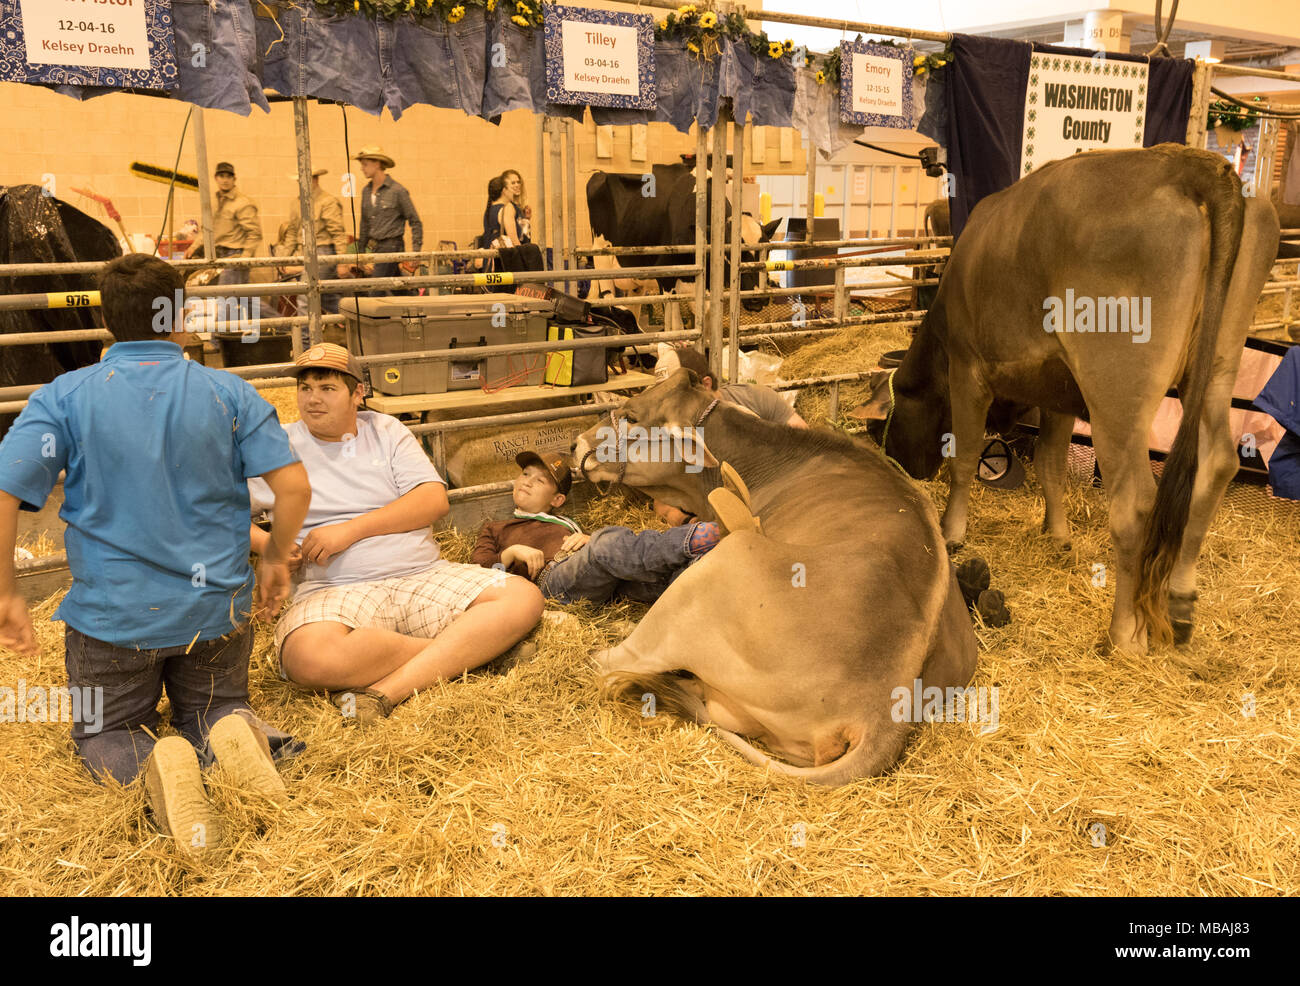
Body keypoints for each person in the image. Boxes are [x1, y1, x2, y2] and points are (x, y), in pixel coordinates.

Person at [0, 254, 311, 856]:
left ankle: (149, 761)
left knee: (106, 728)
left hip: (115, 620)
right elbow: (294, 488)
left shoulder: (63, 397)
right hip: (215, 613)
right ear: (180, 316)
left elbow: (5, 493)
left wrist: (8, 590)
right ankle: (228, 733)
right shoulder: (228, 392)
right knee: (216, 704)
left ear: (106, 321)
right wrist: (272, 560)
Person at [248, 343, 542, 724]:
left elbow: (433, 499)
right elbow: (217, 510)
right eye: (305, 388)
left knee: (520, 596)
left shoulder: (385, 430)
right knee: (308, 657)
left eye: (327, 388)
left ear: (357, 394)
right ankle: (476, 653)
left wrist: (349, 531)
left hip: (420, 575)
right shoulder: (277, 446)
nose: (312, 399)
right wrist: (267, 545)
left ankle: (383, 693)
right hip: (334, 589)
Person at [472, 452, 752, 606]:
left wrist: (587, 539)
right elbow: (477, 574)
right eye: (525, 474)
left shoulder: (565, 524)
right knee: (607, 541)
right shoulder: (496, 528)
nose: (529, 482)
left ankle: (731, 550)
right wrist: (511, 553)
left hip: (596, 582)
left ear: (557, 500)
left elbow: (597, 555)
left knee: (661, 577)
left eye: (541, 480)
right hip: (550, 584)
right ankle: (709, 533)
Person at [186, 161, 262, 324]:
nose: (225, 180)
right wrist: (193, 246)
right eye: (222, 176)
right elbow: (207, 227)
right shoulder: (214, 201)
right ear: (216, 178)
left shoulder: (242, 203)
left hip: (235, 255)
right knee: (245, 300)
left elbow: (254, 234)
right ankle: (285, 325)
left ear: (234, 179)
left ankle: (218, 341)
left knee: (226, 299)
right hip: (221, 254)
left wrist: (245, 257)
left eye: (229, 176)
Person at [280, 167, 352, 335]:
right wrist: (283, 258)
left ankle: (306, 344)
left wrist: (342, 261)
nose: (300, 184)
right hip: (305, 252)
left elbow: (338, 233)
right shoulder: (296, 203)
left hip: (323, 252)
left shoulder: (328, 202)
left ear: (315, 179)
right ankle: (358, 321)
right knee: (326, 298)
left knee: (305, 298)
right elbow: (292, 232)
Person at [671, 346, 808, 428]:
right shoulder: (675, 427)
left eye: (677, 394)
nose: (669, 403)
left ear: (706, 384)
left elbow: (803, 436)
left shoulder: (756, 397)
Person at [353, 146, 423, 294]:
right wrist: (360, 252)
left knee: (375, 289)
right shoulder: (366, 191)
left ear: (377, 164)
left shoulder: (397, 191)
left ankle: (378, 317)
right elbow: (364, 223)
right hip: (376, 247)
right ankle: (416, 308)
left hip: (391, 245)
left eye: (365, 164)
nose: (362, 169)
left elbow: (415, 221)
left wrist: (416, 252)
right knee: (396, 288)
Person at [482, 171, 527, 248]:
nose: (517, 185)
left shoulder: (490, 209)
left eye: (518, 182)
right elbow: (514, 242)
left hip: (491, 256)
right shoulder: (507, 208)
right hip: (501, 257)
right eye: (512, 183)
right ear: (504, 189)